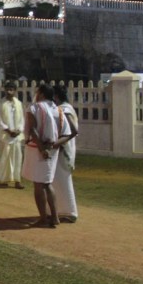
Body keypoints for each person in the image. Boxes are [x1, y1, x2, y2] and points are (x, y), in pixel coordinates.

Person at [22, 84, 65, 228]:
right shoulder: (58, 110)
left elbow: (33, 130)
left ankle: (43, 218)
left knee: (38, 185)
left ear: (40, 93)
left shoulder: (34, 107)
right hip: (52, 148)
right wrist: (51, 147)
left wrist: (42, 149)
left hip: (37, 149)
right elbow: (67, 133)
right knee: (47, 183)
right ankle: (55, 217)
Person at [53, 85, 79, 223]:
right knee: (58, 180)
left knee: (64, 179)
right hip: (63, 146)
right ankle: (60, 210)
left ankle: (70, 211)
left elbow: (73, 130)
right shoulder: (66, 107)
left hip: (64, 148)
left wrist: (58, 142)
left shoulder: (64, 109)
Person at [0, 81, 25, 188]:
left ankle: (17, 180)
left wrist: (19, 130)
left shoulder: (18, 103)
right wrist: (8, 130)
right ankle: (4, 179)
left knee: (17, 158)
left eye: (12, 88)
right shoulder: (0, 103)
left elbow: (22, 119)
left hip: (16, 136)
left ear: (15, 91)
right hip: (6, 135)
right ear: (5, 90)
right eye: (8, 88)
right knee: (5, 157)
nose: (9, 90)